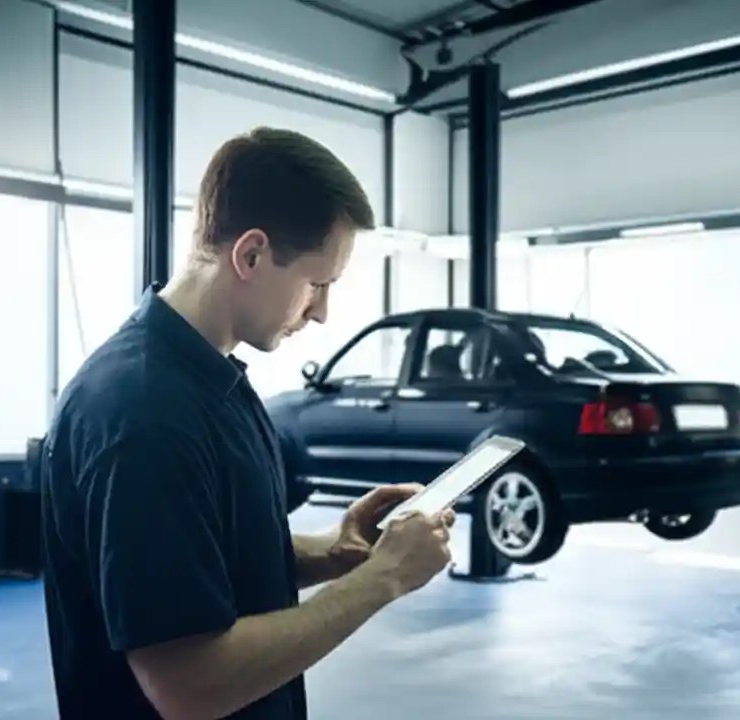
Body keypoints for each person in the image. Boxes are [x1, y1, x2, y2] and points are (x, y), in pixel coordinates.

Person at [40, 127, 456, 720]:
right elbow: (189, 685)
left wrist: (336, 554)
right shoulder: (141, 414)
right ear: (252, 255)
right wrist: (382, 580)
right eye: (317, 283)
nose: (321, 312)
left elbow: (200, 559)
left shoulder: (215, 382)